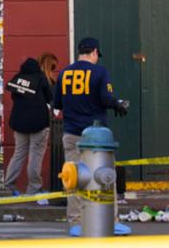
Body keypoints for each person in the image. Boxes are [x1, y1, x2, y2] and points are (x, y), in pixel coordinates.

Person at [54, 37, 129, 237]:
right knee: (105, 178)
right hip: (97, 139)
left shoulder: (64, 73)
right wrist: (117, 104)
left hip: (71, 133)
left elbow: (57, 104)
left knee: (74, 179)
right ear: (95, 52)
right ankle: (110, 223)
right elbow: (105, 98)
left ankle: (77, 223)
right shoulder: (100, 72)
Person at [3, 57, 52, 201]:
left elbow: (14, 97)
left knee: (18, 154)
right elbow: (50, 97)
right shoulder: (41, 78)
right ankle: (33, 188)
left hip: (19, 123)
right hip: (39, 123)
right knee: (35, 155)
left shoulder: (18, 79)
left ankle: (9, 185)